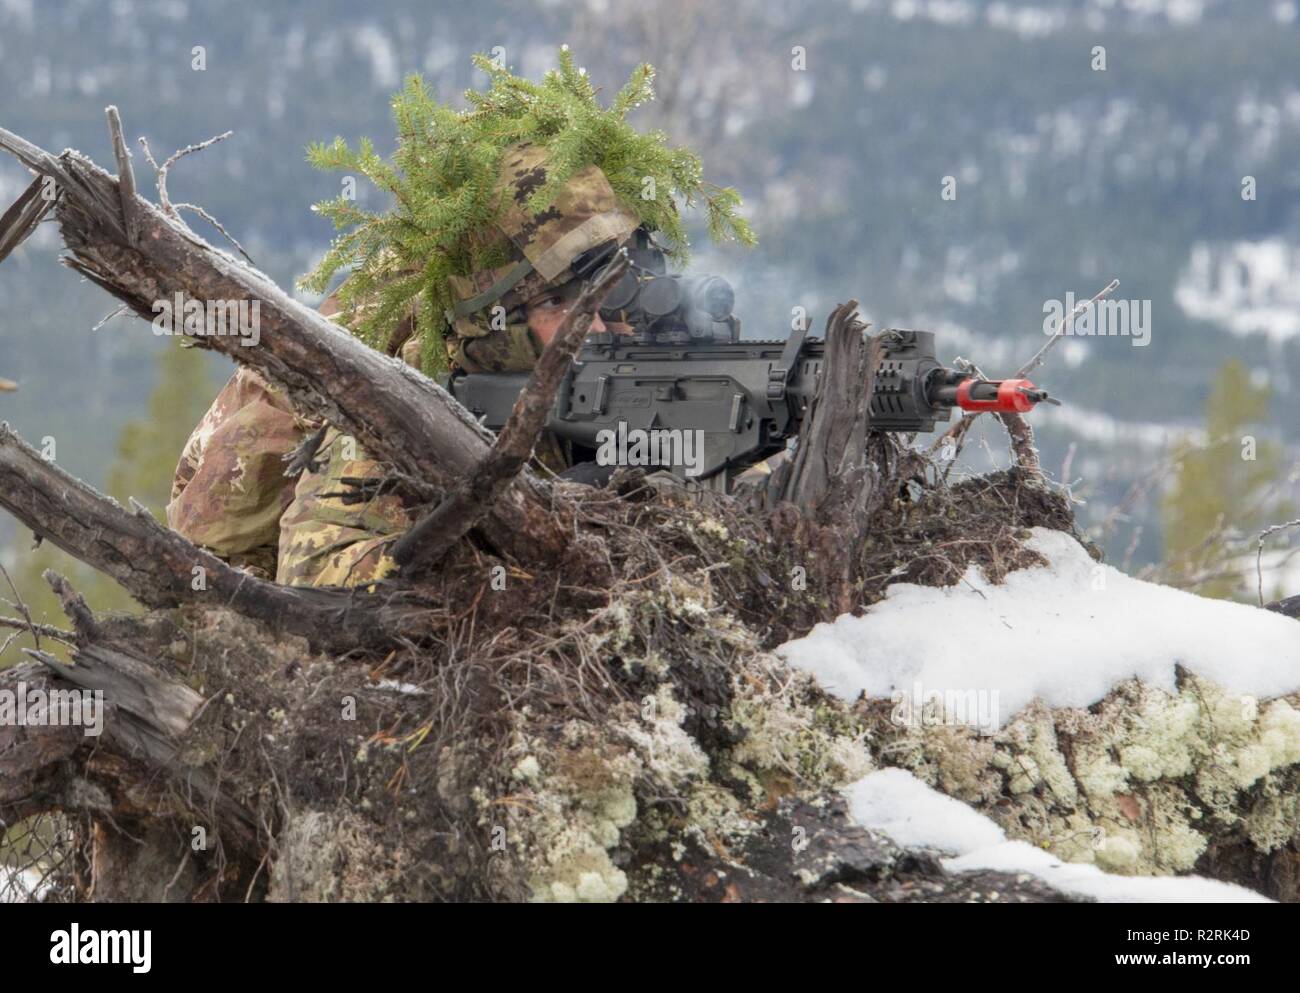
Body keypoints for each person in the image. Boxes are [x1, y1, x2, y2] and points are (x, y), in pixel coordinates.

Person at [167, 141, 638, 587]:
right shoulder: (399, 393)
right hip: (240, 578)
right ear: (499, 322)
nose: (593, 328)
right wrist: (538, 523)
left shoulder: (599, 330)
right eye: (555, 304)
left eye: (600, 295)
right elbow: (319, 570)